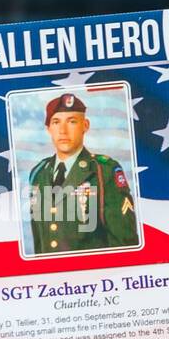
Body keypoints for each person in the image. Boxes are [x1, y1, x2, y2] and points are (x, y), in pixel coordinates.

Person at [27, 92, 139, 255]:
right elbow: (40, 240)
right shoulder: (38, 173)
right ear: (48, 129)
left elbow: (124, 242)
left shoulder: (104, 170)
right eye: (56, 122)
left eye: (72, 121)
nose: (63, 131)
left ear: (85, 125)